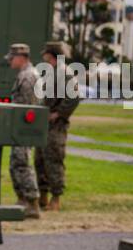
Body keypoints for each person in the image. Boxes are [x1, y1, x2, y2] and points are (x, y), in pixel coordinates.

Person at [35, 42, 79, 211]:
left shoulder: (65, 73)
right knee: (40, 160)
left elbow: (74, 97)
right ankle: (43, 196)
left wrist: (59, 113)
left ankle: (56, 198)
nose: (43, 57)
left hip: (56, 127)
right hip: (45, 125)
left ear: (51, 55)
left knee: (53, 160)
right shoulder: (51, 72)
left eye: (45, 54)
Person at [5, 43, 41, 219]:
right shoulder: (25, 75)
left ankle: (32, 203)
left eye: (12, 58)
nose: (10, 62)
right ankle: (22, 201)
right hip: (20, 128)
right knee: (16, 163)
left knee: (23, 164)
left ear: (21, 58)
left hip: (24, 129)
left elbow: (26, 107)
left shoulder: (28, 77)